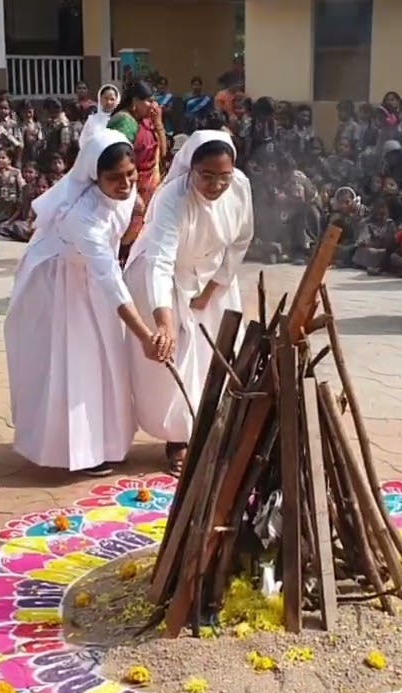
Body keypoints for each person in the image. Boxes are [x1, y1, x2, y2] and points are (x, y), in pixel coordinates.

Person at [3, 129, 171, 476]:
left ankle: (106, 441)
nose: (125, 184)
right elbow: (110, 277)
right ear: (95, 177)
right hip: (56, 282)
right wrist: (144, 337)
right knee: (71, 362)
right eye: (114, 179)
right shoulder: (81, 215)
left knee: (105, 358)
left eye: (129, 174)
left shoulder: (128, 192)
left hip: (92, 277)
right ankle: (72, 448)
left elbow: (117, 244)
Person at [122, 129, 253, 474]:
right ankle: (178, 438)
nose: (216, 185)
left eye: (223, 176)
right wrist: (164, 320)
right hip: (164, 282)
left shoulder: (240, 186)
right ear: (191, 170)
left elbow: (241, 240)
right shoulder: (172, 199)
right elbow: (160, 261)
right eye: (206, 176)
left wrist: (214, 288)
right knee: (176, 358)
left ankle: (212, 428)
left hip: (215, 277)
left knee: (218, 353)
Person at [109, 81, 167, 260]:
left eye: (154, 101)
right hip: (129, 186)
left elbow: (163, 152)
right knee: (130, 228)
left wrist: (158, 123)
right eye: (148, 101)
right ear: (135, 101)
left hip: (150, 185)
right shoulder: (124, 121)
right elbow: (119, 159)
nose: (153, 106)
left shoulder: (146, 121)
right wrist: (133, 191)